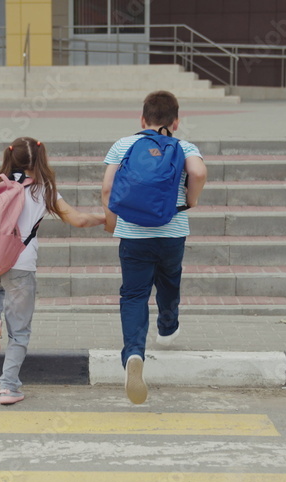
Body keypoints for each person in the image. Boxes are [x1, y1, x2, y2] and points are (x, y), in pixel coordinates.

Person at [0, 137, 105, 405]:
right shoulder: (43, 189)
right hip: (21, 264)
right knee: (20, 332)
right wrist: (105, 218)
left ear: (10, 157)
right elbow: (79, 220)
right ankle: (8, 387)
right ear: (40, 160)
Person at [100, 91, 208, 405]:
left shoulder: (124, 145)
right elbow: (198, 172)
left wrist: (113, 222)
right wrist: (192, 200)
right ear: (176, 121)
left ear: (142, 119)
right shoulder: (184, 147)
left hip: (133, 234)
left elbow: (107, 188)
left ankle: (134, 354)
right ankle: (167, 327)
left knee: (134, 294)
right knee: (169, 280)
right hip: (172, 232)